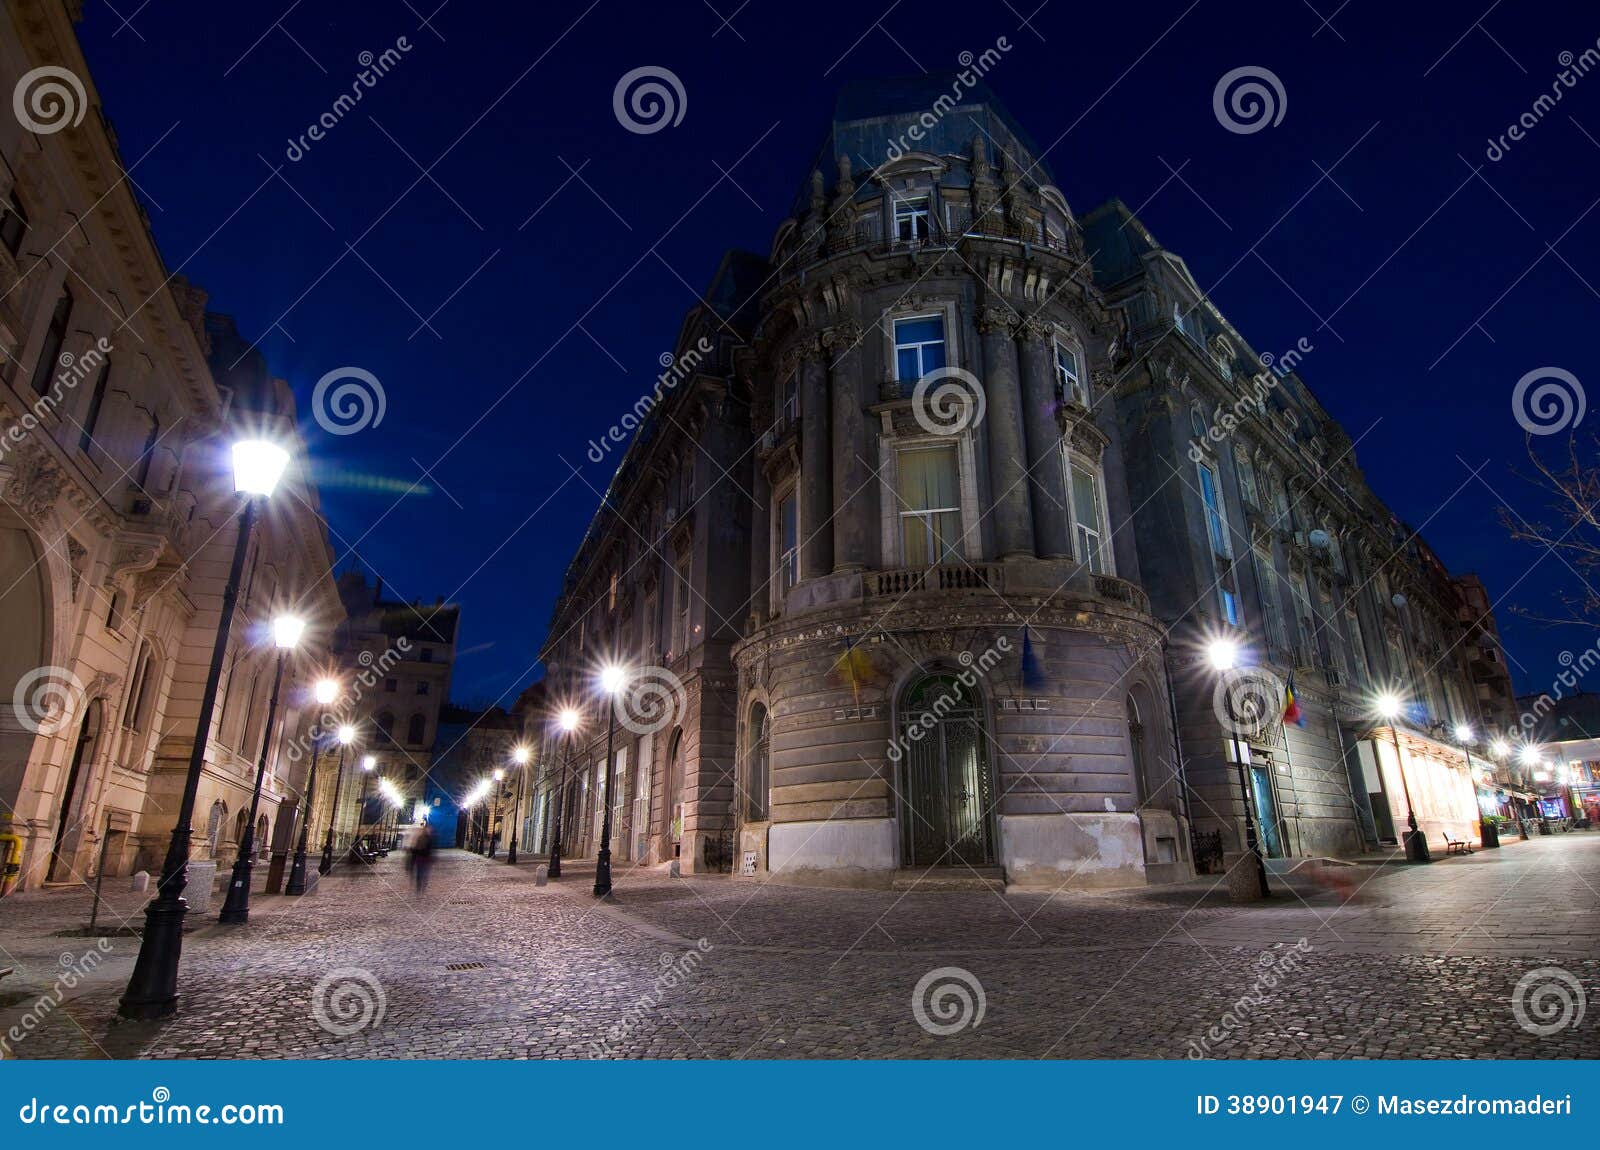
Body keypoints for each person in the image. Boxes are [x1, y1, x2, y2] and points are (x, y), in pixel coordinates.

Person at [408, 822, 435, 895]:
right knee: (421, 873)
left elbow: (430, 850)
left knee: (423, 873)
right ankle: (420, 886)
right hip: (421, 858)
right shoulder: (423, 838)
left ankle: (421, 886)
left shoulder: (429, 838)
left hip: (424, 859)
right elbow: (416, 849)